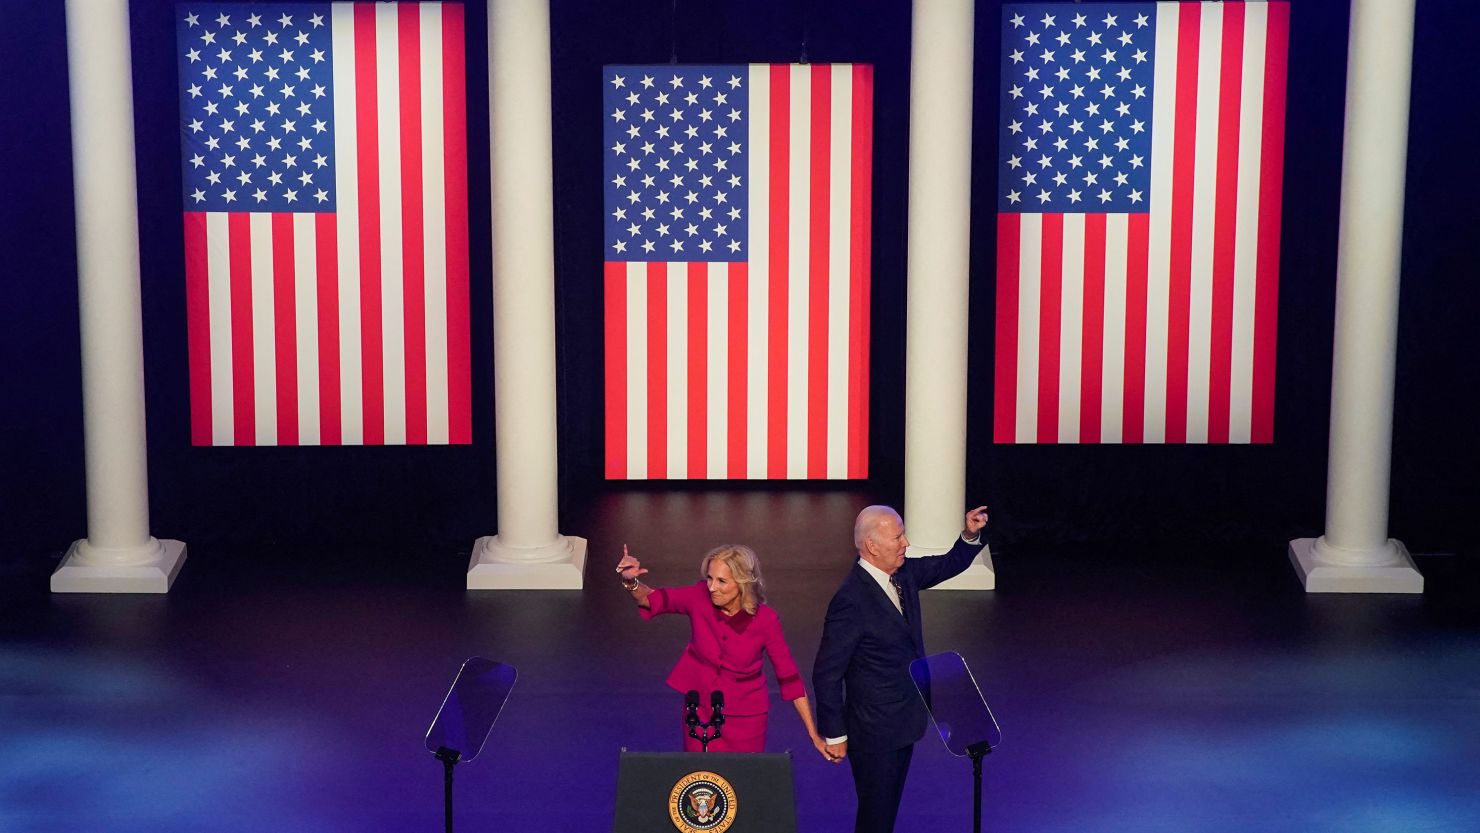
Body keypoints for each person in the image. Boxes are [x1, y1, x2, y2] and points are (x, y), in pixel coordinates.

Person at [812, 504, 989, 833]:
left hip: (903, 722)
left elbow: (946, 564)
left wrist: (969, 535)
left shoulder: (902, 575)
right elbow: (827, 672)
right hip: (873, 731)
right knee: (876, 816)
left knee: (886, 811)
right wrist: (834, 733)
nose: (906, 542)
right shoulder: (851, 600)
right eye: (898, 536)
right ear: (872, 546)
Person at [617, 544, 833, 758]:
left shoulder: (766, 621)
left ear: (743, 583)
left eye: (721, 581)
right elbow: (651, 599)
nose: (711, 587)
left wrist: (814, 735)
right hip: (699, 711)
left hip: (746, 718)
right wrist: (630, 581)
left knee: (741, 784)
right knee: (700, 781)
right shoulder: (698, 596)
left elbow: (790, 678)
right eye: (710, 578)